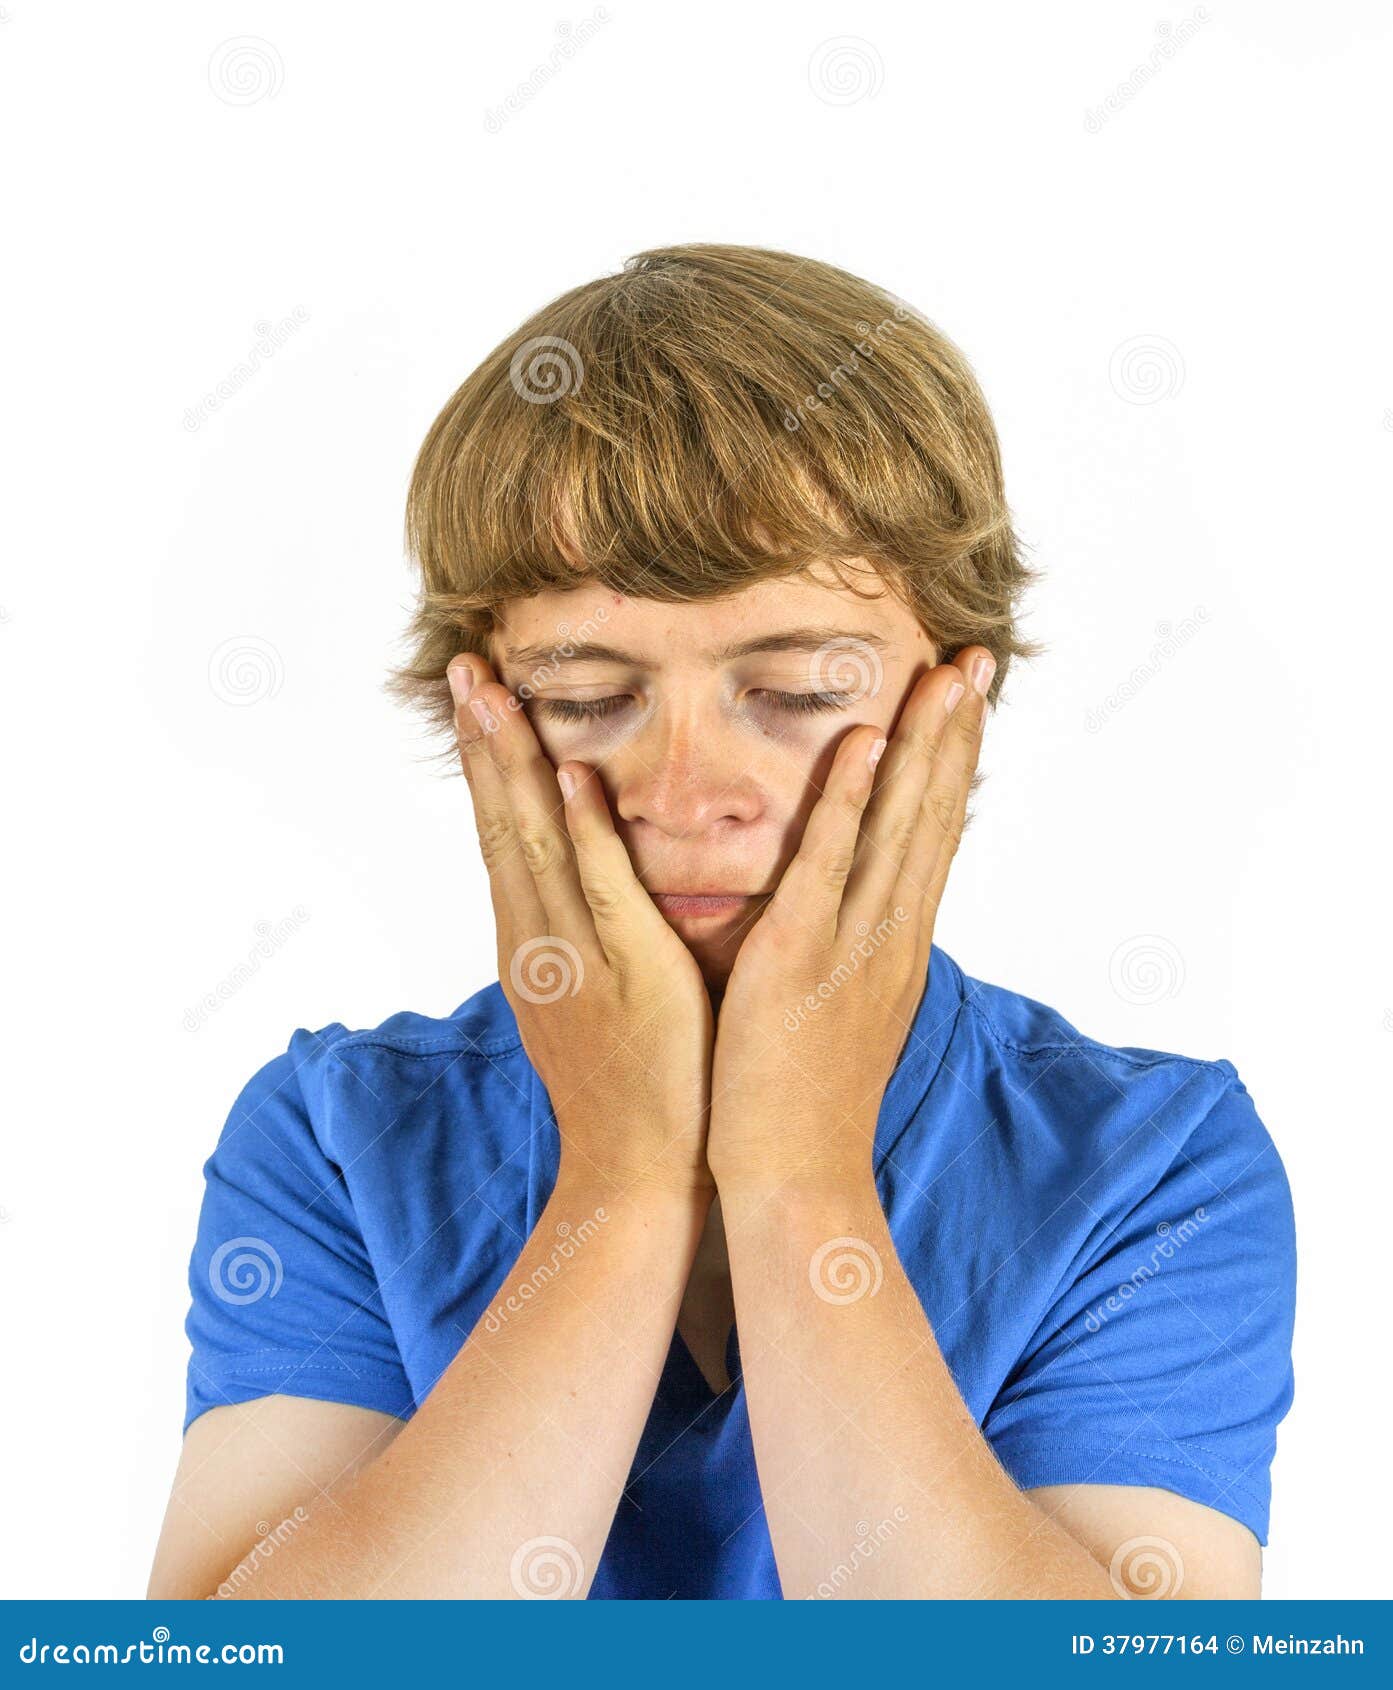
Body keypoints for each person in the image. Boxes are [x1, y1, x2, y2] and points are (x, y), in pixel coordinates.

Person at [148, 244, 1295, 1601]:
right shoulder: (340, 1136)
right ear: (483, 725)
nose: (690, 798)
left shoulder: (1153, 1166)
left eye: (801, 689)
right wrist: (623, 1179)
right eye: (584, 695)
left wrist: (797, 1170)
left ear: (953, 712)